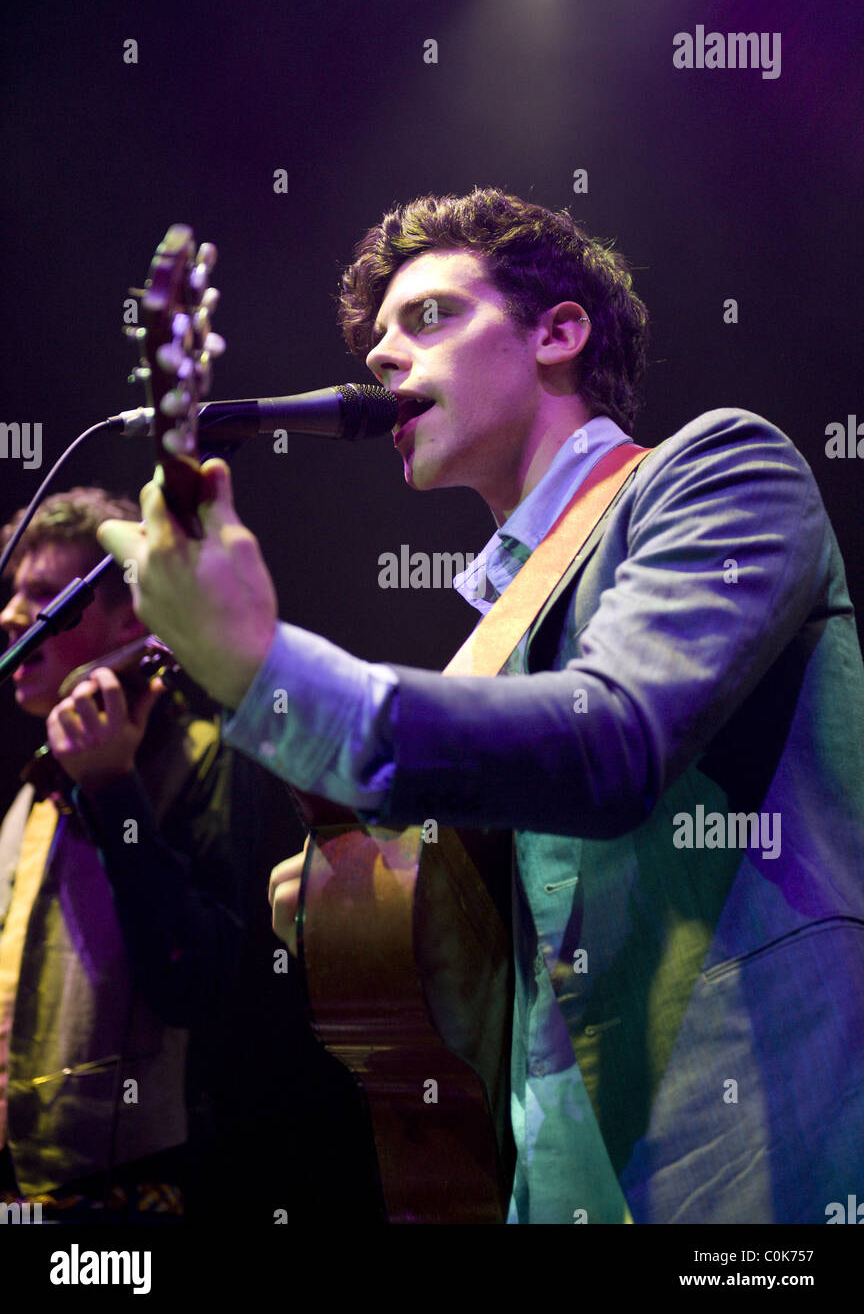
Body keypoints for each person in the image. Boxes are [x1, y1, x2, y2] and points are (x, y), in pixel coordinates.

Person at [99, 188, 864, 1225]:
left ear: (558, 332)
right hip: (546, 1175)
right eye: (375, 337)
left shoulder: (722, 471)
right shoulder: (488, 643)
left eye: (428, 317)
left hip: (746, 1162)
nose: (378, 357)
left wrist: (265, 670)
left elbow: (612, 740)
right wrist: (358, 896)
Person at [0, 488, 381, 1222]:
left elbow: (197, 984)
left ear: (129, 620)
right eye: (12, 590)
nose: (12, 614)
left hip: (148, 1198)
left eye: (44, 595)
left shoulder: (207, 757)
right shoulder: (26, 801)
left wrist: (113, 789)